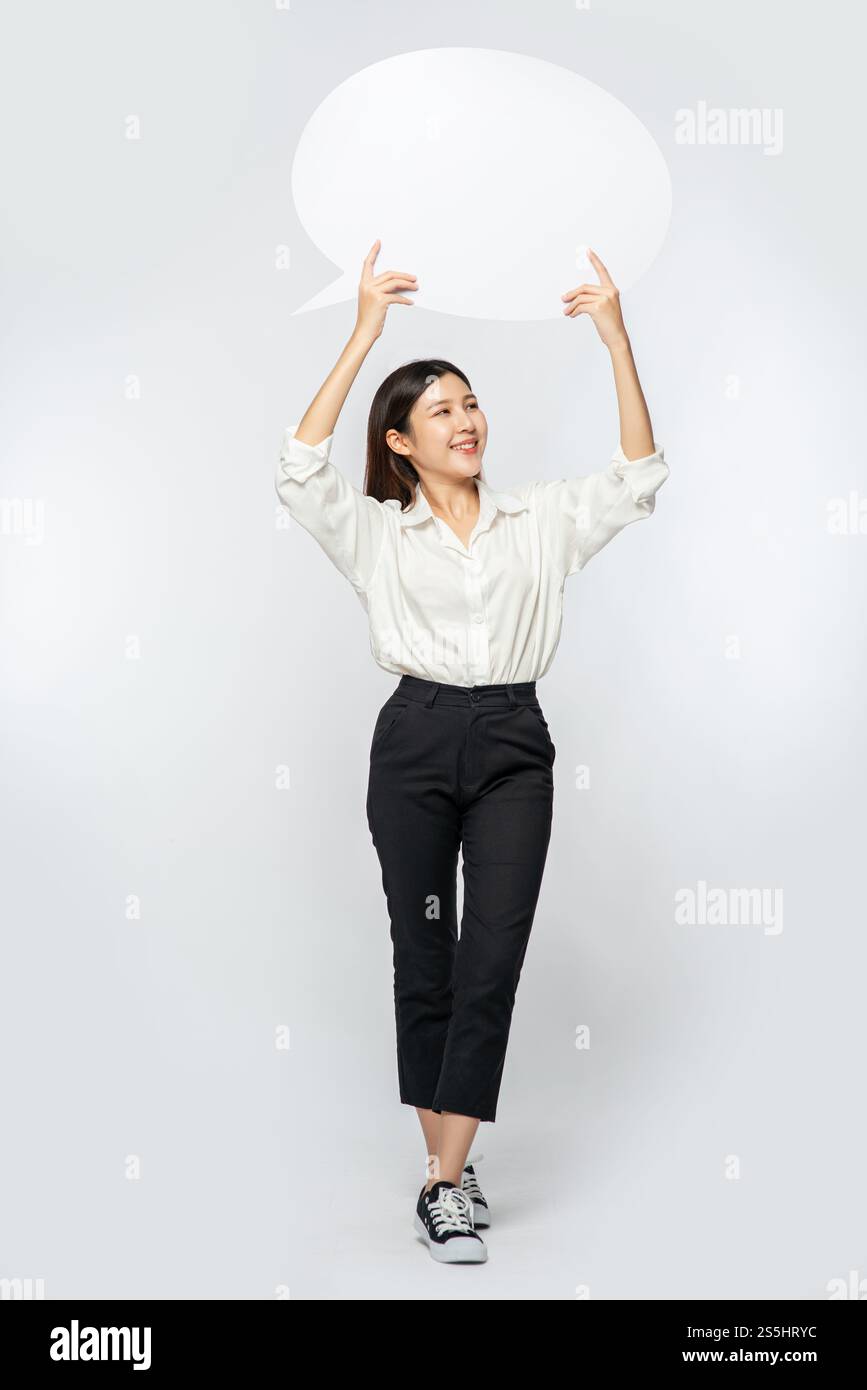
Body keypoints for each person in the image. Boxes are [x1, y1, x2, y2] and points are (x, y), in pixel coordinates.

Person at [275, 240, 670, 1264]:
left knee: (492, 952)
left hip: (509, 741)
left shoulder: (539, 520)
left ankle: (442, 1181)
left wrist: (617, 338)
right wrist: (365, 330)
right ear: (402, 443)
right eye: (441, 408)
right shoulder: (376, 533)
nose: (467, 419)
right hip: (412, 739)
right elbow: (298, 467)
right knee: (428, 956)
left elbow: (639, 476)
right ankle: (452, 1174)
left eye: (470, 401)